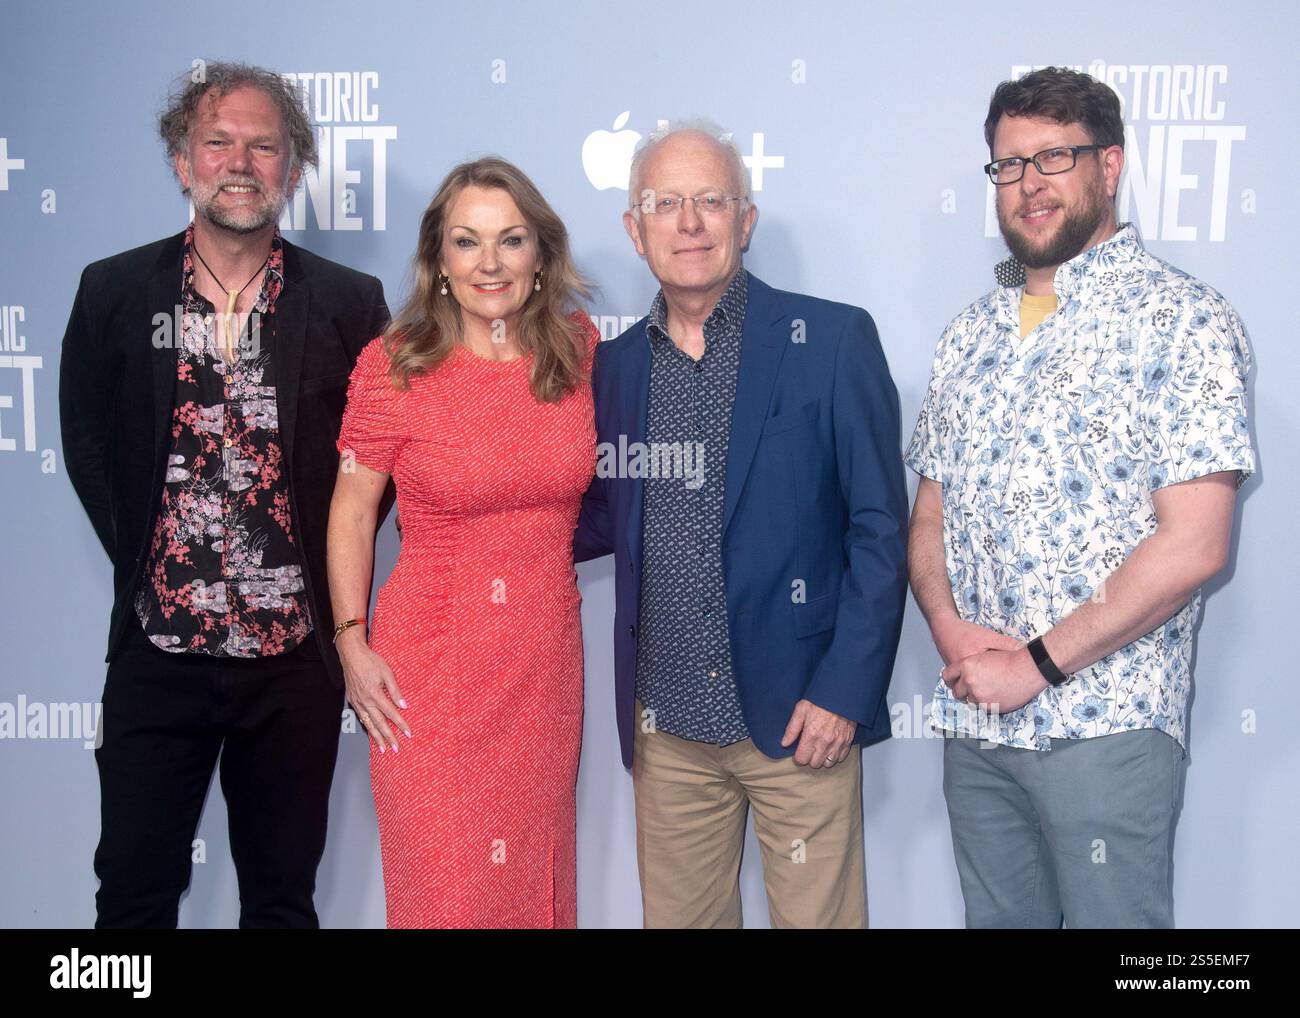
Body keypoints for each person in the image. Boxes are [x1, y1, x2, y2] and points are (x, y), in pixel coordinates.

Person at [904, 67, 1256, 928]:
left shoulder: (1184, 320)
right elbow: (929, 516)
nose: (1029, 183)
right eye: (1009, 164)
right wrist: (949, 628)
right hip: (978, 728)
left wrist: (1034, 665)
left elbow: (1196, 543)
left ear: (1111, 164)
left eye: (1054, 157)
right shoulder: (967, 335)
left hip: (1107, 724)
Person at [59, 62, 390, 928]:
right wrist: (154, 560)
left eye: (263, 146)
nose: (240, 162)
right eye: (218, 142)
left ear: (293, 168)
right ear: (183, 161)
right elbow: (88, 447)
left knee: (281, 903)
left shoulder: (349, 305)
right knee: (132, 897)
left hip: (293, 662)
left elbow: (372, 472)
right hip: (157, 651)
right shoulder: (114, 292)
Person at [574, 121, 909, 928]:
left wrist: (844, 691)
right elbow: (593, 514)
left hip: (802, 720)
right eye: (665, 203)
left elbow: (879, 530)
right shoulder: (614, 368)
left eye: (711, 201)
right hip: (667, 734)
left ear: (746, 219)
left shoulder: (831, 340)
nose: (689, 223)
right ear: (635, 229)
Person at [327, 157, 598, 929]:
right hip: (432, 674)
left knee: (534, 889)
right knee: (448, 896)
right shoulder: (395, 365)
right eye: (467, 241)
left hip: (543, 666)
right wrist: (351, 642)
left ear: (540, 254)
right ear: (438, 259)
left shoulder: (575, 352)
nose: (490, 263)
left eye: (510, 239)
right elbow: (352, 511)